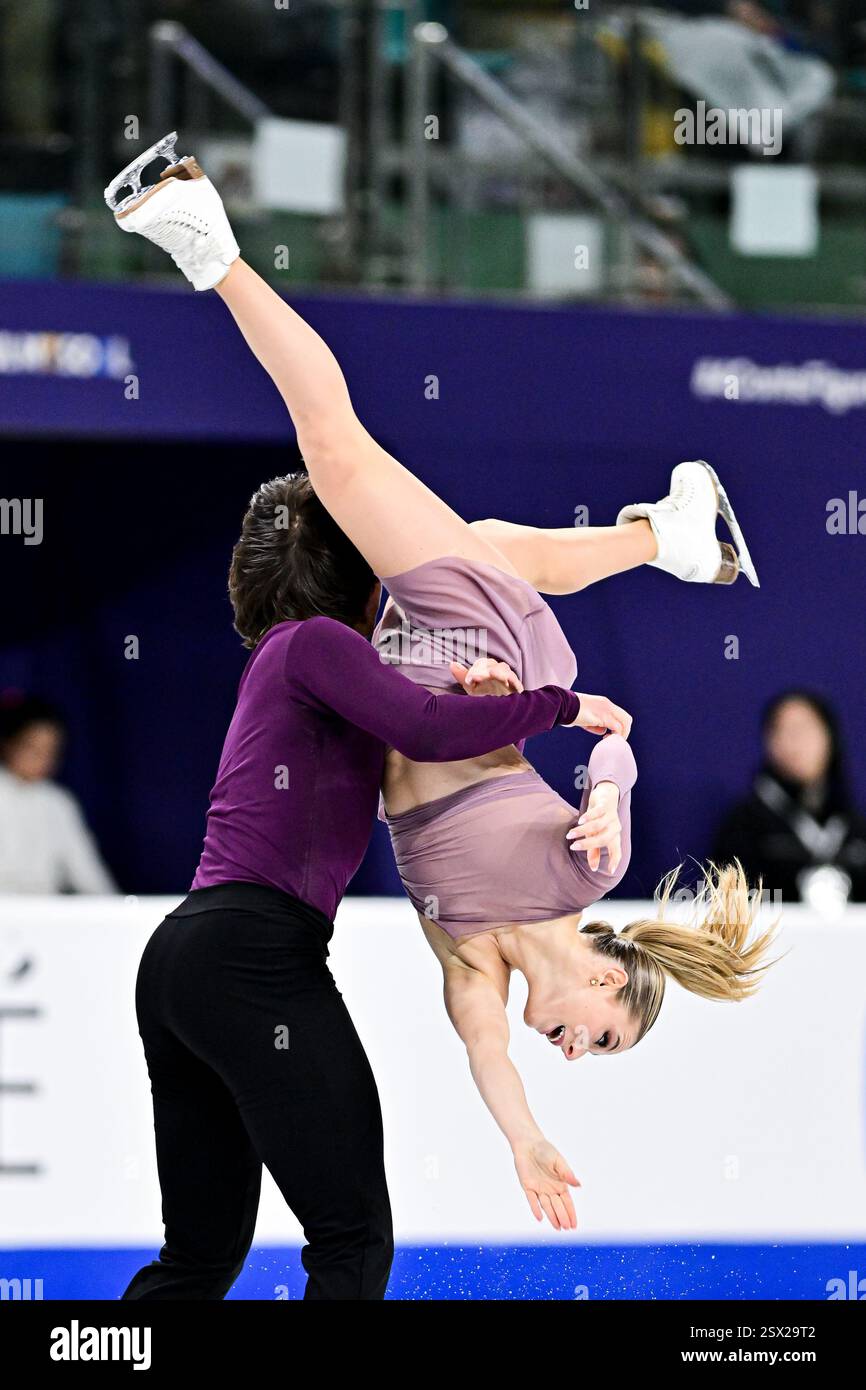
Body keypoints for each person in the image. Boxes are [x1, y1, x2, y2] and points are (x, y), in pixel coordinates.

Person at [108, 134, 778, 1238]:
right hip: (484, 667)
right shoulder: (584, 871)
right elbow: (610, 755)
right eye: (597, 1038)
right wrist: (605, 781)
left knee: (480, 538)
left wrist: (523, 1143)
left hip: (443, 668)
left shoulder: (470, 966)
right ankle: (207, 238)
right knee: (336, 451)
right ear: (608, 985)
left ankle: (665, 534)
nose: (569, 1052)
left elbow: (487, 1063)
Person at [114, 461, 613, 1300]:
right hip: (254, 959)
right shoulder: (318, 645)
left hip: (186, 961)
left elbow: (417, 734)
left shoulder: (295, 659)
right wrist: (559, 705)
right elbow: (422, 726)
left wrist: (487, 697)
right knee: (353, 1245)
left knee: (199, 1261)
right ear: (362, 582)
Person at [714, 690, 866, 905]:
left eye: (804, 730)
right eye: (782, 731)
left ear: (830, 736)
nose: (794, 743)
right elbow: (728, 905)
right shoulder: (744, 825)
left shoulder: (855, 825)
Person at [0, 691, 116, 894]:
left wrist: (116, 912)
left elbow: (86, 871)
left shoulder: (58, 803)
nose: (42, 761)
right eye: (33, 750)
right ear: (9, 744)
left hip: (45, 914)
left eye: (50, 752)